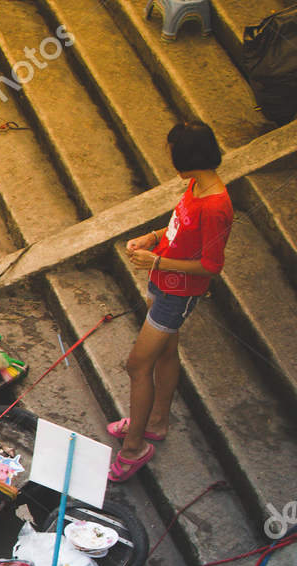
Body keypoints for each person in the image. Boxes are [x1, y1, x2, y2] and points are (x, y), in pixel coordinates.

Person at [110, 121, 232, 483]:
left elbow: (211, 265)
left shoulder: (217, 205)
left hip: (177, 293)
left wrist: (158, 261)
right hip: (162, 280)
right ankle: (156, 421)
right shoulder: (196, 184)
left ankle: (134, 449)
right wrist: (151, 238)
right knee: (165, 352)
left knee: (137, 365)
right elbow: (180, 226)